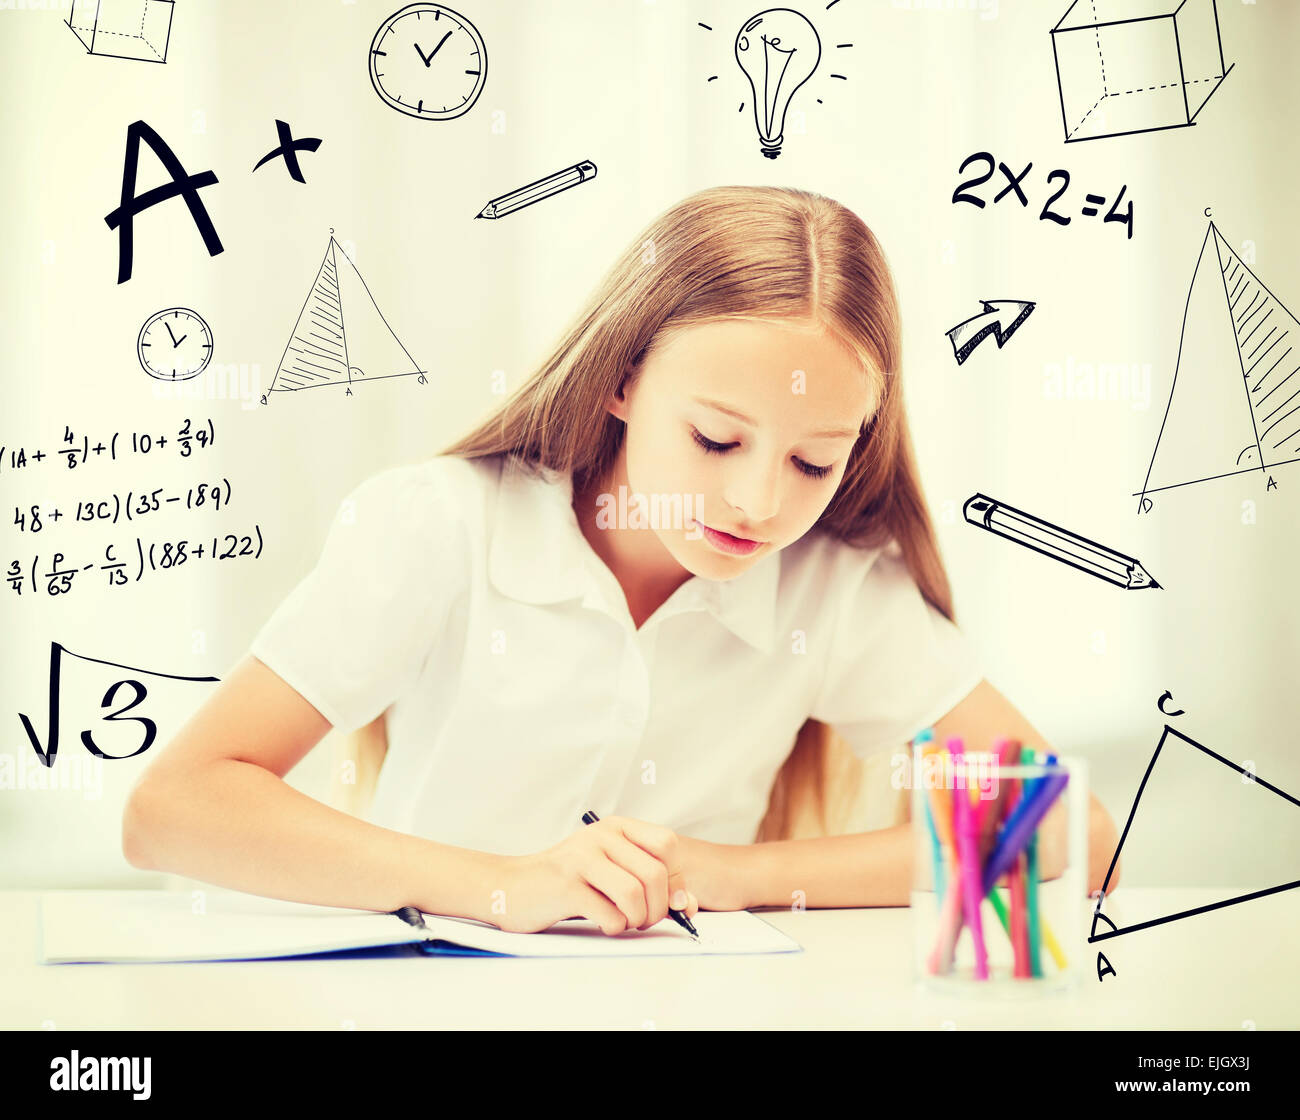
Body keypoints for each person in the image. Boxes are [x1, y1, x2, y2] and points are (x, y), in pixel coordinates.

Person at [123, 186, 1120, 936]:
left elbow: (1076, 832)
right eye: (718, 440)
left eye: (815, 459)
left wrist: (730, 873)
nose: (759, 503)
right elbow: (172, 810)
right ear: (623, 382)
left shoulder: (834, 587)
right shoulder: (439, 525)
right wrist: (506, 885)